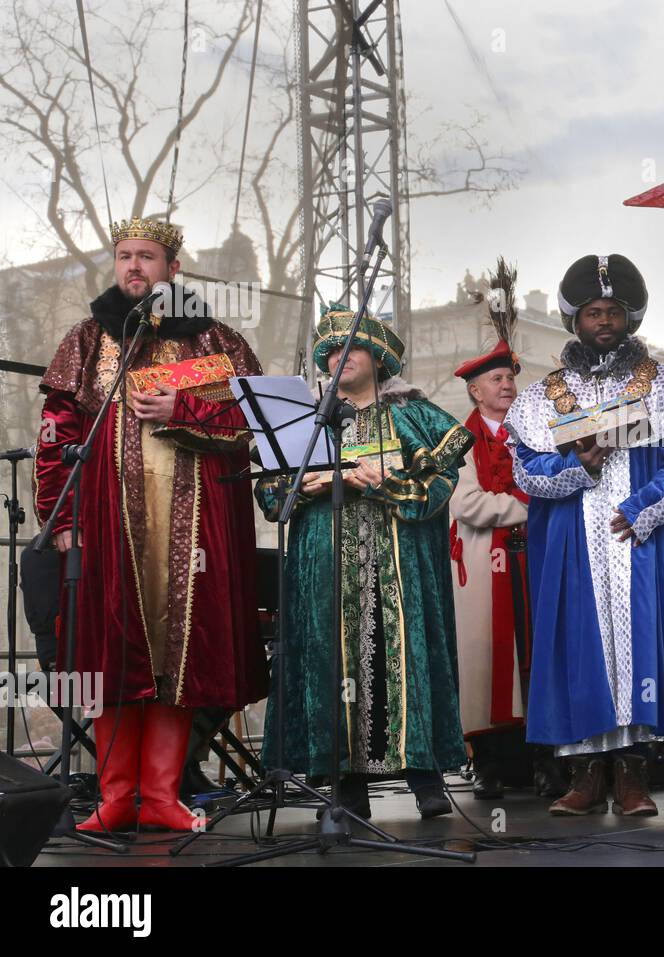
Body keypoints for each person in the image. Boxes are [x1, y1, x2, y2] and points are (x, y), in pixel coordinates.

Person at [36, 217, 267, 832]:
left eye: (146, 256)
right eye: (124, 256)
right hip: (107, 524)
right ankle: (114, 798)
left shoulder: (217, 340)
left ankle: (162, 795)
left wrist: (181, 407)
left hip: (196, 527)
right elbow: (56, 435)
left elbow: (256, 425)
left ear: (173, 268)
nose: (133, 266)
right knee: (111, 654)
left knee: (179, 657)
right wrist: (61, 517)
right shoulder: (87, 339)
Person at [505, 253, 664, 816]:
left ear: (629, 317)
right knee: (580, 647)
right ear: (574, 320)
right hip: (575, 545)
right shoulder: (541, 396)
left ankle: (633, 772)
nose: (604, 320)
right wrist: (578, 465)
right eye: (592, 312)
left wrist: (643, 508)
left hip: (640, 540)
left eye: (612, 311)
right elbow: (525, 470)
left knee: (640, 649)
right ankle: (586, 773)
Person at [255, 306, 471, 820]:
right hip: (326, 566)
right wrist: (305, 485)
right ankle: (345, 785)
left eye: (350, 347)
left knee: (405, 658)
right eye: (330, 351)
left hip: (397, 565)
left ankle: (425, 776)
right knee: (331, 662)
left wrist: (385, 484)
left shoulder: (414, 416)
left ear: (378, 356)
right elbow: (269, 494)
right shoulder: (304, 423)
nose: (339, 357)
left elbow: (439, 485)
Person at [450, 338, 568, 800]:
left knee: (540, 655)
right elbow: (468, 504)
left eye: (510, 378)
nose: (507, 386)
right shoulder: (459, 441)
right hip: (485, 563)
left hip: (537, 559)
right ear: (475, 391)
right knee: (486, 659)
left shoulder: (537, 433)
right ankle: (489, 765)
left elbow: (559, 480)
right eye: (496, 379)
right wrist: (530, 504)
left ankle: (546, 761)